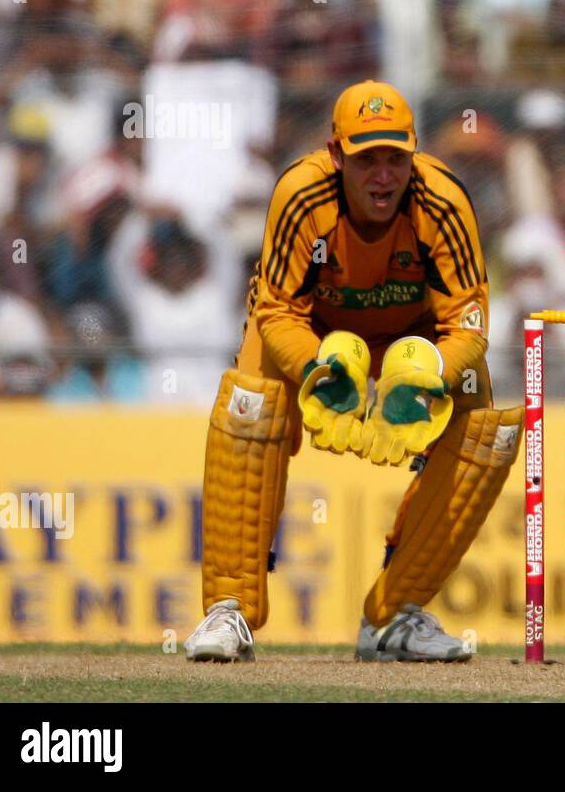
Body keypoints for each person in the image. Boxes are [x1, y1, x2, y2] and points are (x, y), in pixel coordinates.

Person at [185, 80, 522, 663]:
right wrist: (317, 367)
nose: (383, 177)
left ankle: (395, 616)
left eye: (396, 158)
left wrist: (430, 374)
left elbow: (468, 327)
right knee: (252, 403)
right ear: (336, 155)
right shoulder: (301, 193)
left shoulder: (443, 202)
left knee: (486, 433)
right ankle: (228, 609)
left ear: (414, 153)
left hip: (414, 336)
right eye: (367, 160)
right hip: (313, 329)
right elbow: (277, 311)